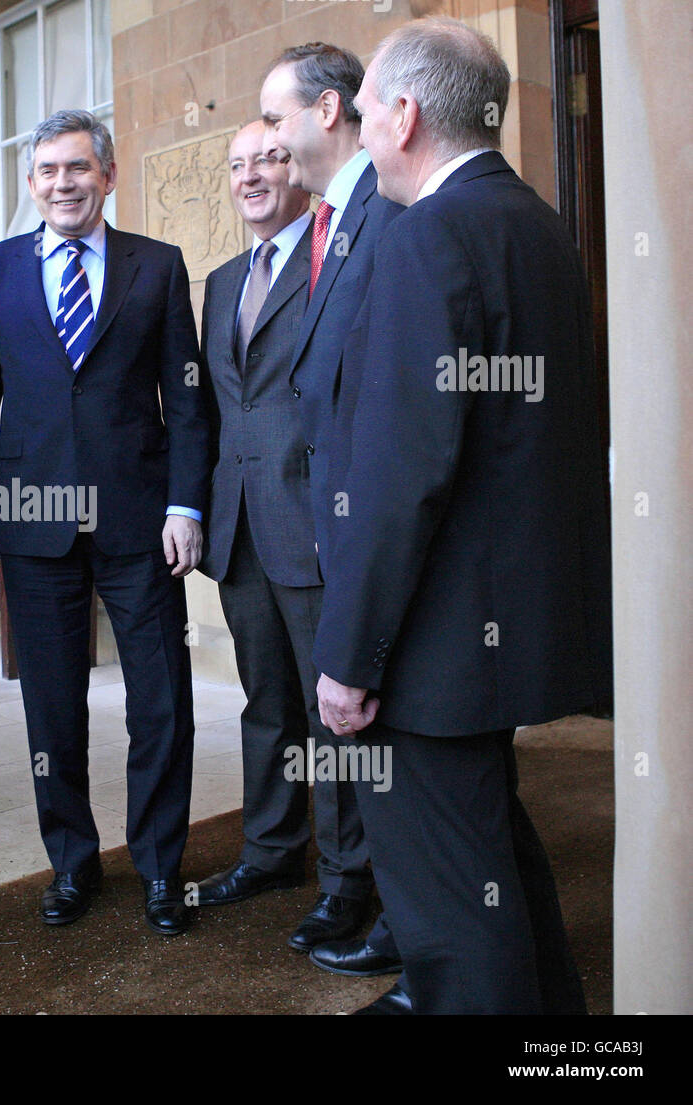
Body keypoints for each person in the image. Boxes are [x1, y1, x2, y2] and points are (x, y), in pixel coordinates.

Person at [314, 17, 612, 1014]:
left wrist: (351, 659)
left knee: (455, 934)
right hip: (504, 633)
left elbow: (405, 475)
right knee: (500, 877)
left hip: (430, 656)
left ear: (402, 115)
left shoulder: (425, 236)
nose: (357, 139)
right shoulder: (539, 226)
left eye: (361, 118)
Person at [0, 109, 210, 936]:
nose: (63, 183)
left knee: (161, 700)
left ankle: (162, 868)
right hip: (33, 522)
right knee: (52, 707)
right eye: (47, 172)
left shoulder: (159, 267)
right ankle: (71, 862)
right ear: (31, 185)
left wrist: (185, 502)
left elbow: (190, 398)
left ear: (108, 174)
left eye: (77, 168)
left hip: (141, 520)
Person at [257, 42, 403, 966]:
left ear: (329, 110)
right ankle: (357, 893)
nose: (267, 142)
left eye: (275, 119)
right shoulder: (328, 220)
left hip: (372, 518)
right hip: (314, 523)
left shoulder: (389, 211)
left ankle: (406, 917)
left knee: (379, 730)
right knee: (337, 725)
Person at [195, 124, 327, 921]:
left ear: (301, 166)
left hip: (313, 521)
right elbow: (218, 406)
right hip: (239, 528)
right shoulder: (220, 280)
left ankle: (352, 879)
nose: (251, 176)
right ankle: (273, 852)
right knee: (266, 703)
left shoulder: (332, 258)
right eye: (238, 164)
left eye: (269, 158)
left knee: (331, 711)